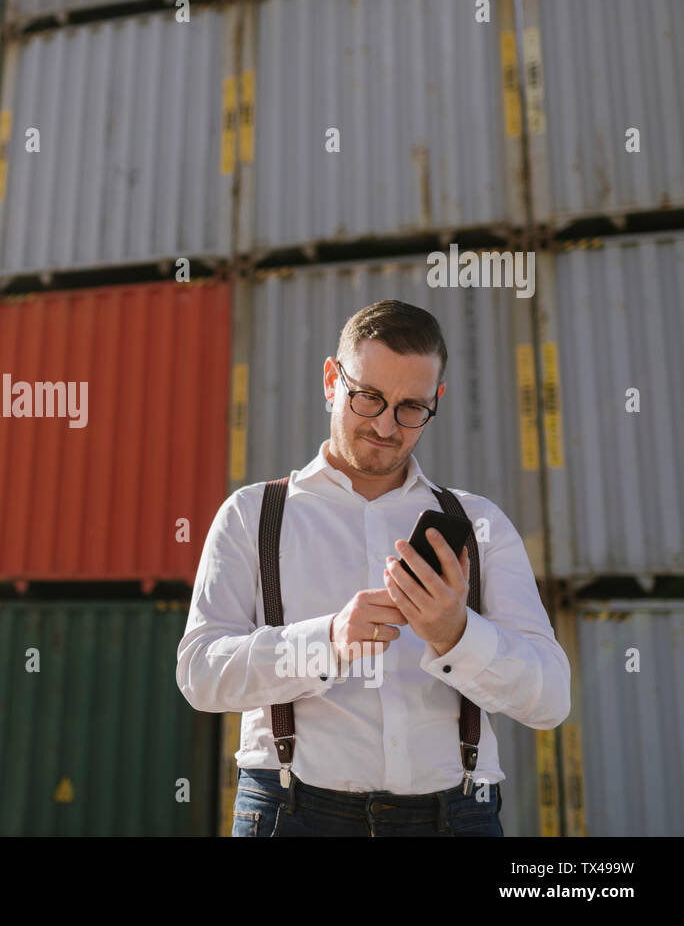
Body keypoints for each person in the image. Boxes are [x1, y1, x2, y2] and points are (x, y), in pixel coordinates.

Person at [176, 300, 570, 836]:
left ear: (438, 401)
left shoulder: (480, 524)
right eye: (370, 398)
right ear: (331, 381)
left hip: (454, 817)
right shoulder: (252, 515)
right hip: (290, 815)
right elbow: (199, 674)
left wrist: (457, 635)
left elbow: (550, 700)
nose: (386, 425)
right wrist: (327, 641)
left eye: (412, 407)